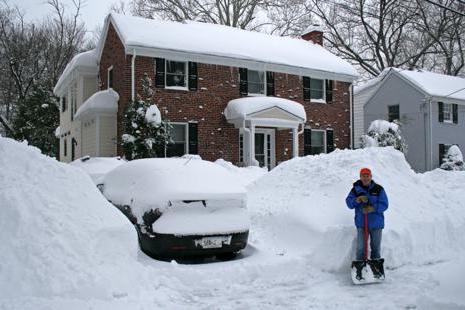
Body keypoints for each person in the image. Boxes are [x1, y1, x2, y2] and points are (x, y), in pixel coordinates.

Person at [346, 168, 389, 279]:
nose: (365, 178)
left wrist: (373, 208)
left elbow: (385, 204)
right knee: (360, 248)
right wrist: (357, 200)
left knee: (375, 248)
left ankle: (376, 271)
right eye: (363, 176)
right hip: (362, 224)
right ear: (360, 177)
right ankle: (359, 271)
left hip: (376, 224)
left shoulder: (378, 189)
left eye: (367, 176)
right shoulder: (355, 189)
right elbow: (349, 203)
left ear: (371, 177)